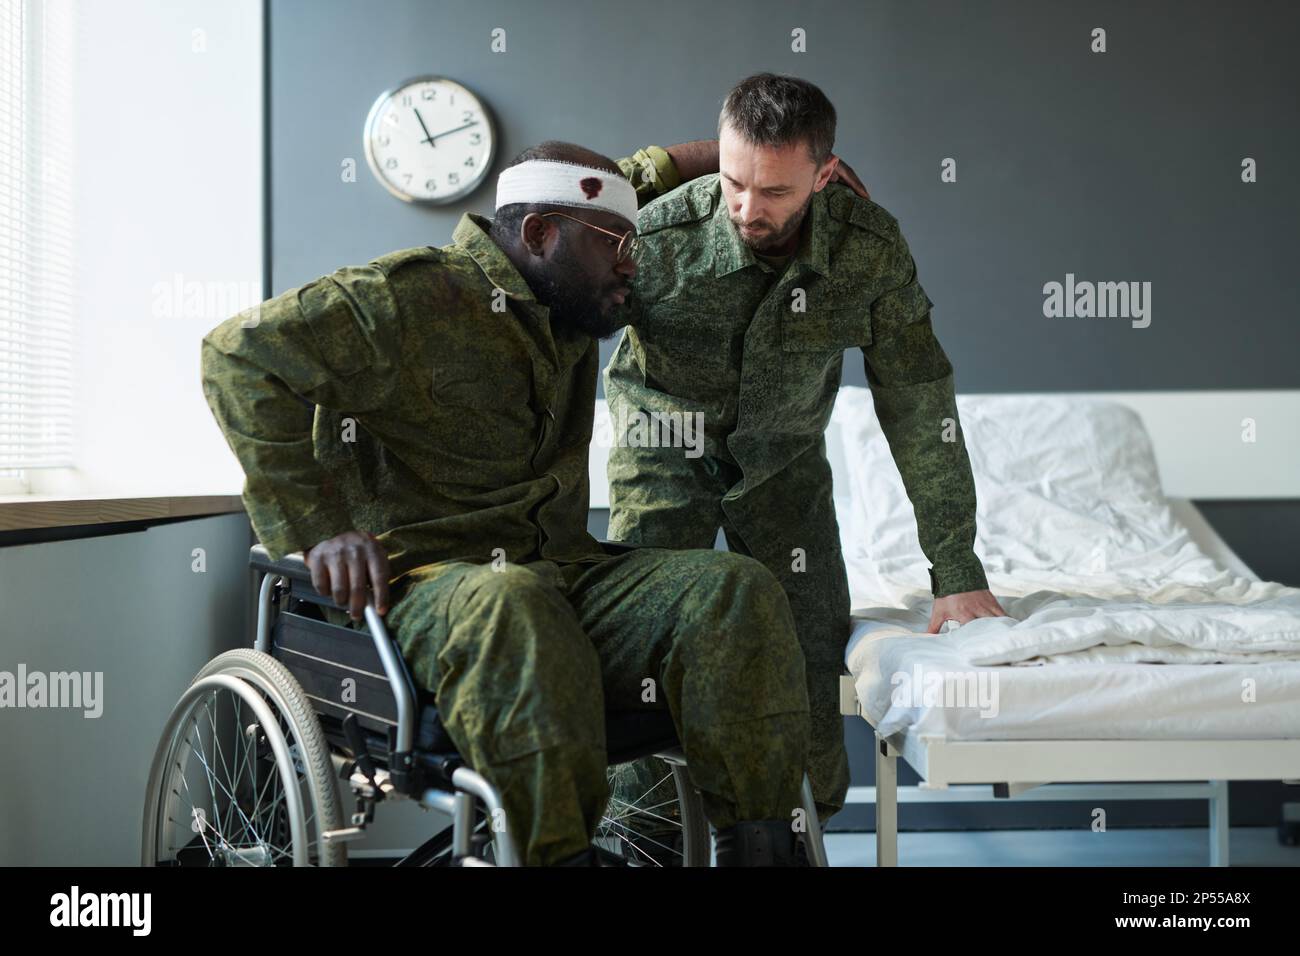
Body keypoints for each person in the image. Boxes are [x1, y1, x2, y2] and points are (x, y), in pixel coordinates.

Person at [200, 141, 812, 866]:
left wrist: (732, 153)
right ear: (538, 235)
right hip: (428, 590)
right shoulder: (408, 297)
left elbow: (614, 187)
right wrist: (317, 528)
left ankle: (763, 850)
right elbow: (235, 354)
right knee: (511, 601)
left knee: (732, 588)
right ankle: (558, 858)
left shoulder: (571, 295)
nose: (631, 263)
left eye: (632, 242)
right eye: (616, 244)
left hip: (559, 573)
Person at [603, 74, 1007, 858]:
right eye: (732, 181)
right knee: (645, 645)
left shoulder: (868, 251)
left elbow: (919, 402)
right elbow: (547, 219)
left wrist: (955, 566)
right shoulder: (653, 238)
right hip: (663, 448)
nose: (749, 209)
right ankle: (640, 838)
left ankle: (789, 833)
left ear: (825, 175)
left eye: (775, 191)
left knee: (806, 645)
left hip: (782, 465)